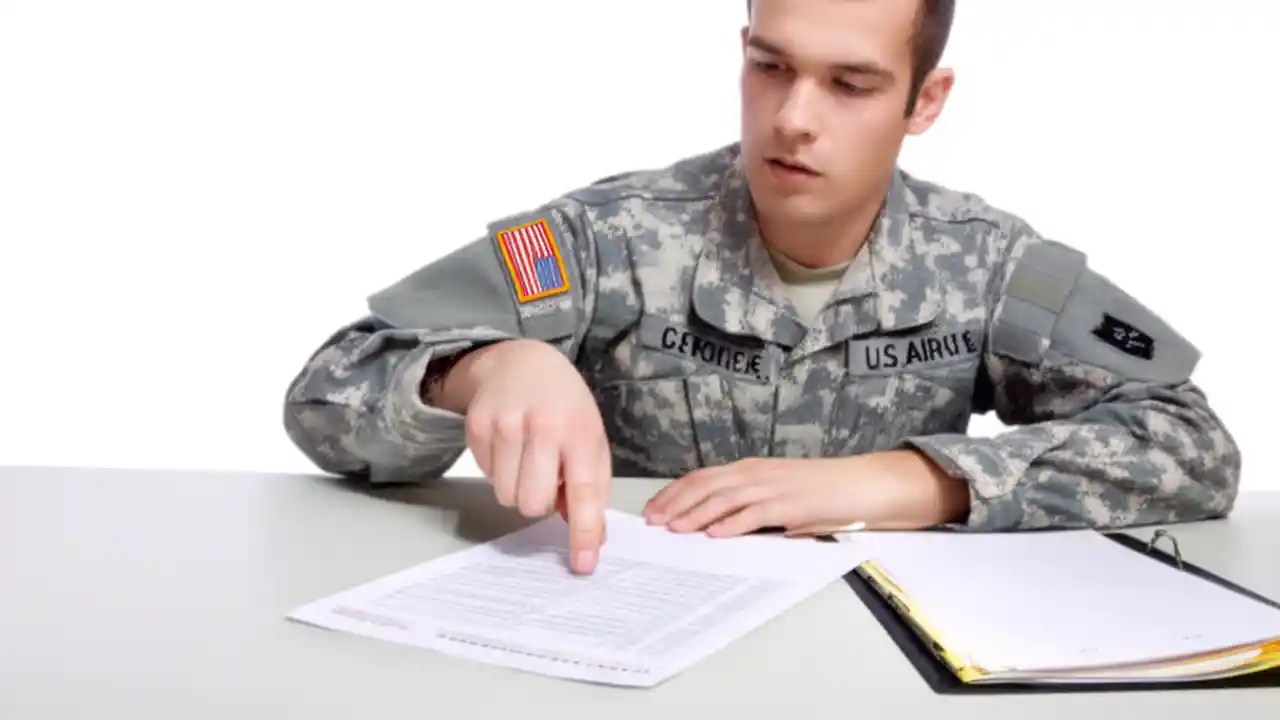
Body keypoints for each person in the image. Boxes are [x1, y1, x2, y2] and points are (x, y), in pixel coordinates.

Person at [281, 0, 1241, 575]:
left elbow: (1193, 448)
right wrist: (481, 369)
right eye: (769, 65)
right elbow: (326, 397)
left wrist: (914, 481)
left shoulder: (989, 264)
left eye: (851, 85)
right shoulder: (611, 236)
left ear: (926, 101)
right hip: (621, 639)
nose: (793, 118)